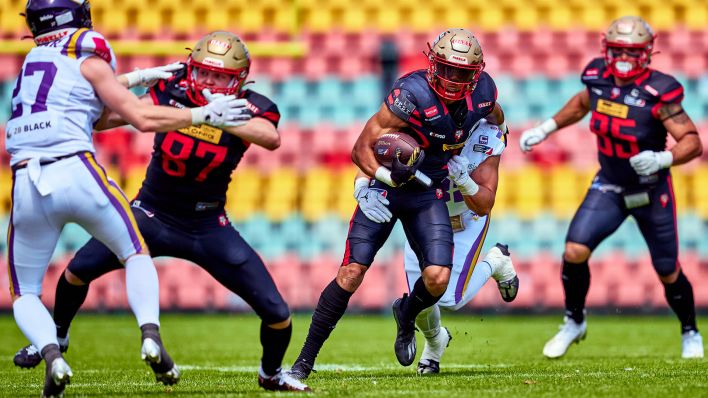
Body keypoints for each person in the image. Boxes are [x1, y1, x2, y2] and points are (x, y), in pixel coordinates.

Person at [11, 30, 311, 392]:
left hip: (207, 223)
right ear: (191, 69)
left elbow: (270, 136)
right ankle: (57, 337)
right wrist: (166, 97)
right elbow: (106, 119)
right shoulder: (173, 89)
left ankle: (270, 374)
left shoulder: (249, 103)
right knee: (77, 271)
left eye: (221, 76)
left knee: (278, 314)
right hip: (150, 212)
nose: (211, 81)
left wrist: (218, 117)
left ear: (239, 80)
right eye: (204, 72)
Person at [288, 28, 508, 381]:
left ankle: (405, 315)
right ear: (433, 65)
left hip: (428, 193)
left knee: (437, 280)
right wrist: (373, 182)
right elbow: (361, 148)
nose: (453, 79)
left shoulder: (483, 94)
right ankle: (303, 363)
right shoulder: (410, 93)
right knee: (351, 273)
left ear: (476, 74)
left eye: (462, 72)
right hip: (389, 187)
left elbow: (495, 114)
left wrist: (500, 131)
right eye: (447, 69)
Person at [519, 16, 704, 359]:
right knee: (574, 250)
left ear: (646, 53)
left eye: (631, 51)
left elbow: (692, 142)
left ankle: (690, 330)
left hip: (651, 190)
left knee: (668, 270)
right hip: (611, 185)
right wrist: (546, 128)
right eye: (617, 49)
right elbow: (580, 105)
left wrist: (663, 159)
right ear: (606, 49)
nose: (622, 57)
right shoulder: (598, 79)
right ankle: (574, 321)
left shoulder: (658, 91)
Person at [356, 119, 520, 375]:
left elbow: (485, 203)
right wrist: (361, 185)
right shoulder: (421, 126)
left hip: (465, 220)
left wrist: (466, 182)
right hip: (422, 217)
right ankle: (435, 344)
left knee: (451, 298)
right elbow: (376, 152)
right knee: (423, 296)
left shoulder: (486, 136)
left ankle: (496, 261)